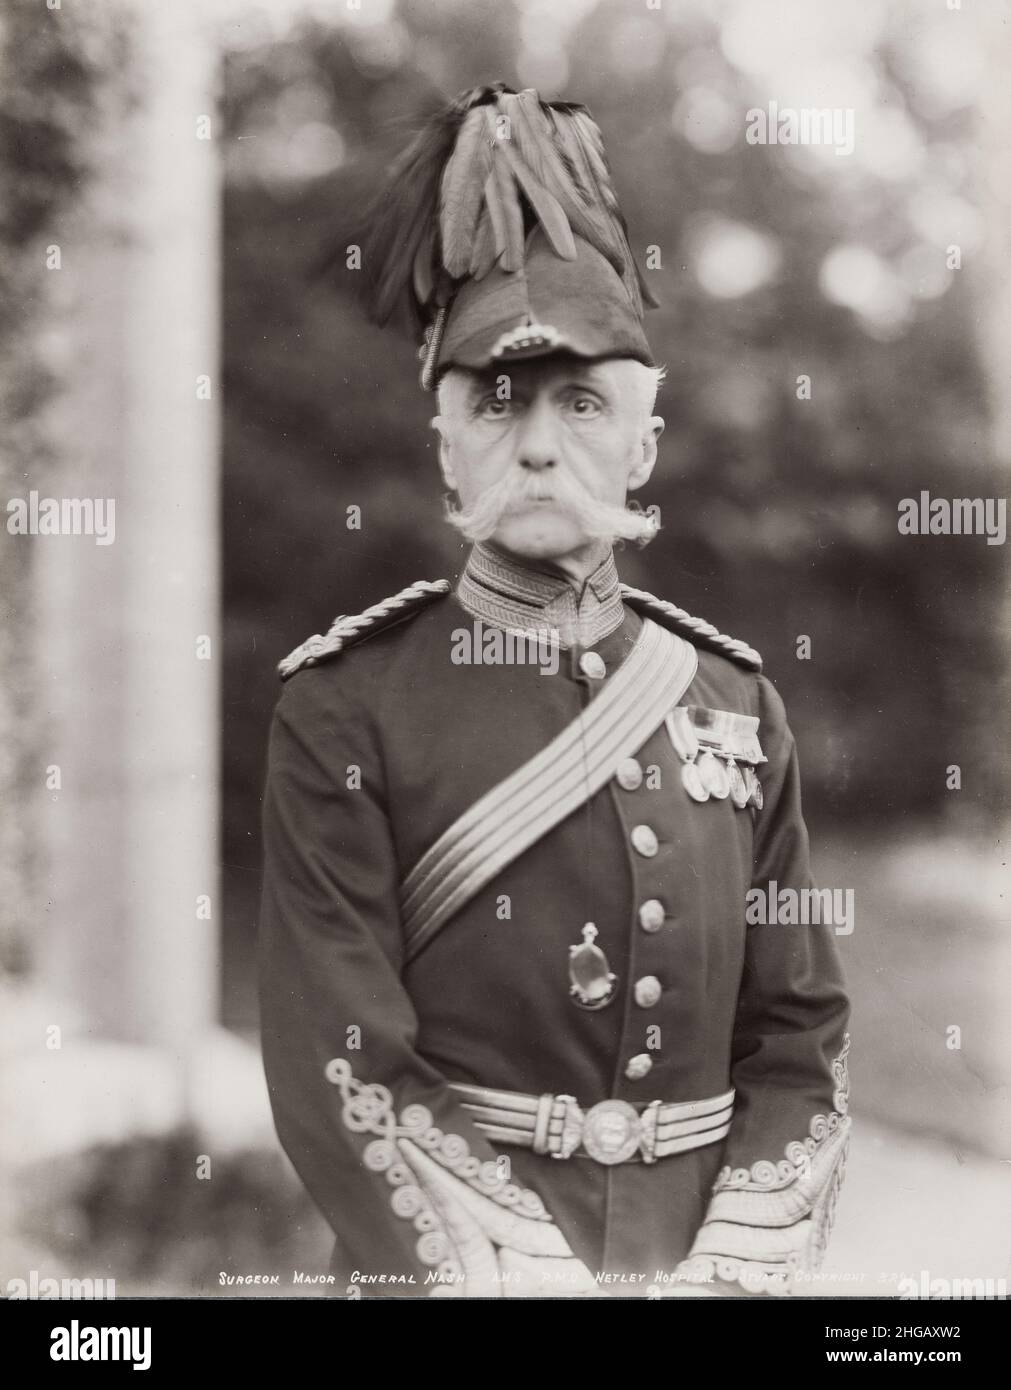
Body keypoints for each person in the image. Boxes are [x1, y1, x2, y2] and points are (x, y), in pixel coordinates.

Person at [257, 84, 851, 1299]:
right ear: (444, 443)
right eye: (495, 401)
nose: (536, 444)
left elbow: (800, 1045)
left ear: (642, 444)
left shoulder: (735, 701)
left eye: (582, 403)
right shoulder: (342, 709)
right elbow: (345, 1059)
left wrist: (733, 1272)